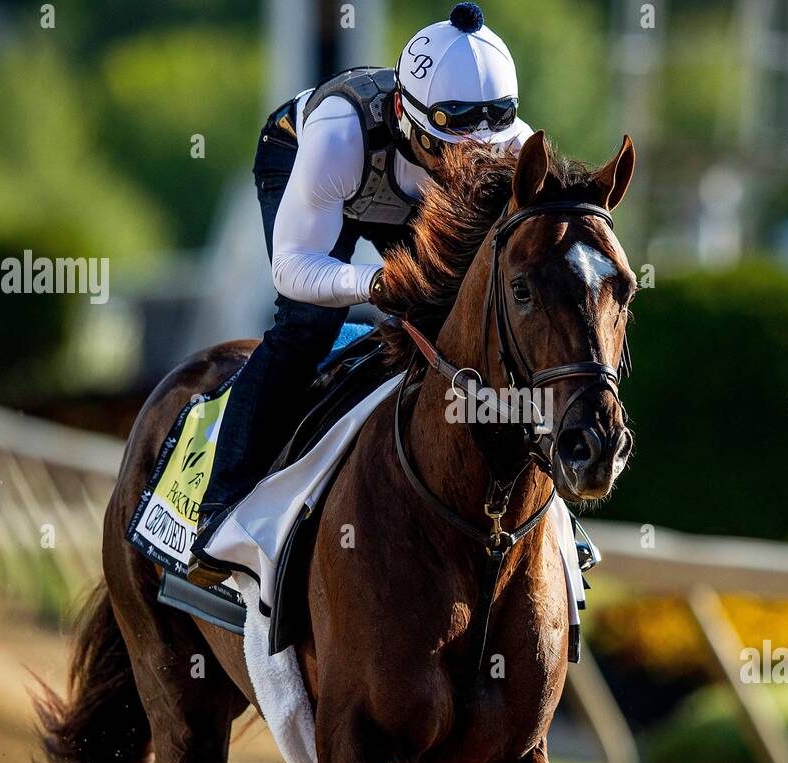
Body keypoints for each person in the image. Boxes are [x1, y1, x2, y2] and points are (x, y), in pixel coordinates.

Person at [189, 2, 533, 586]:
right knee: (307, 326)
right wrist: (372, 282)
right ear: (403, 113)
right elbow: (292, 268)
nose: (465, 170)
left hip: (398, 190)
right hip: (308, 160)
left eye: (483, 154)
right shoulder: (339, 134)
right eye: (449, 150)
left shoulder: (511, 148)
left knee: (463, 321)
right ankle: (222, 511)